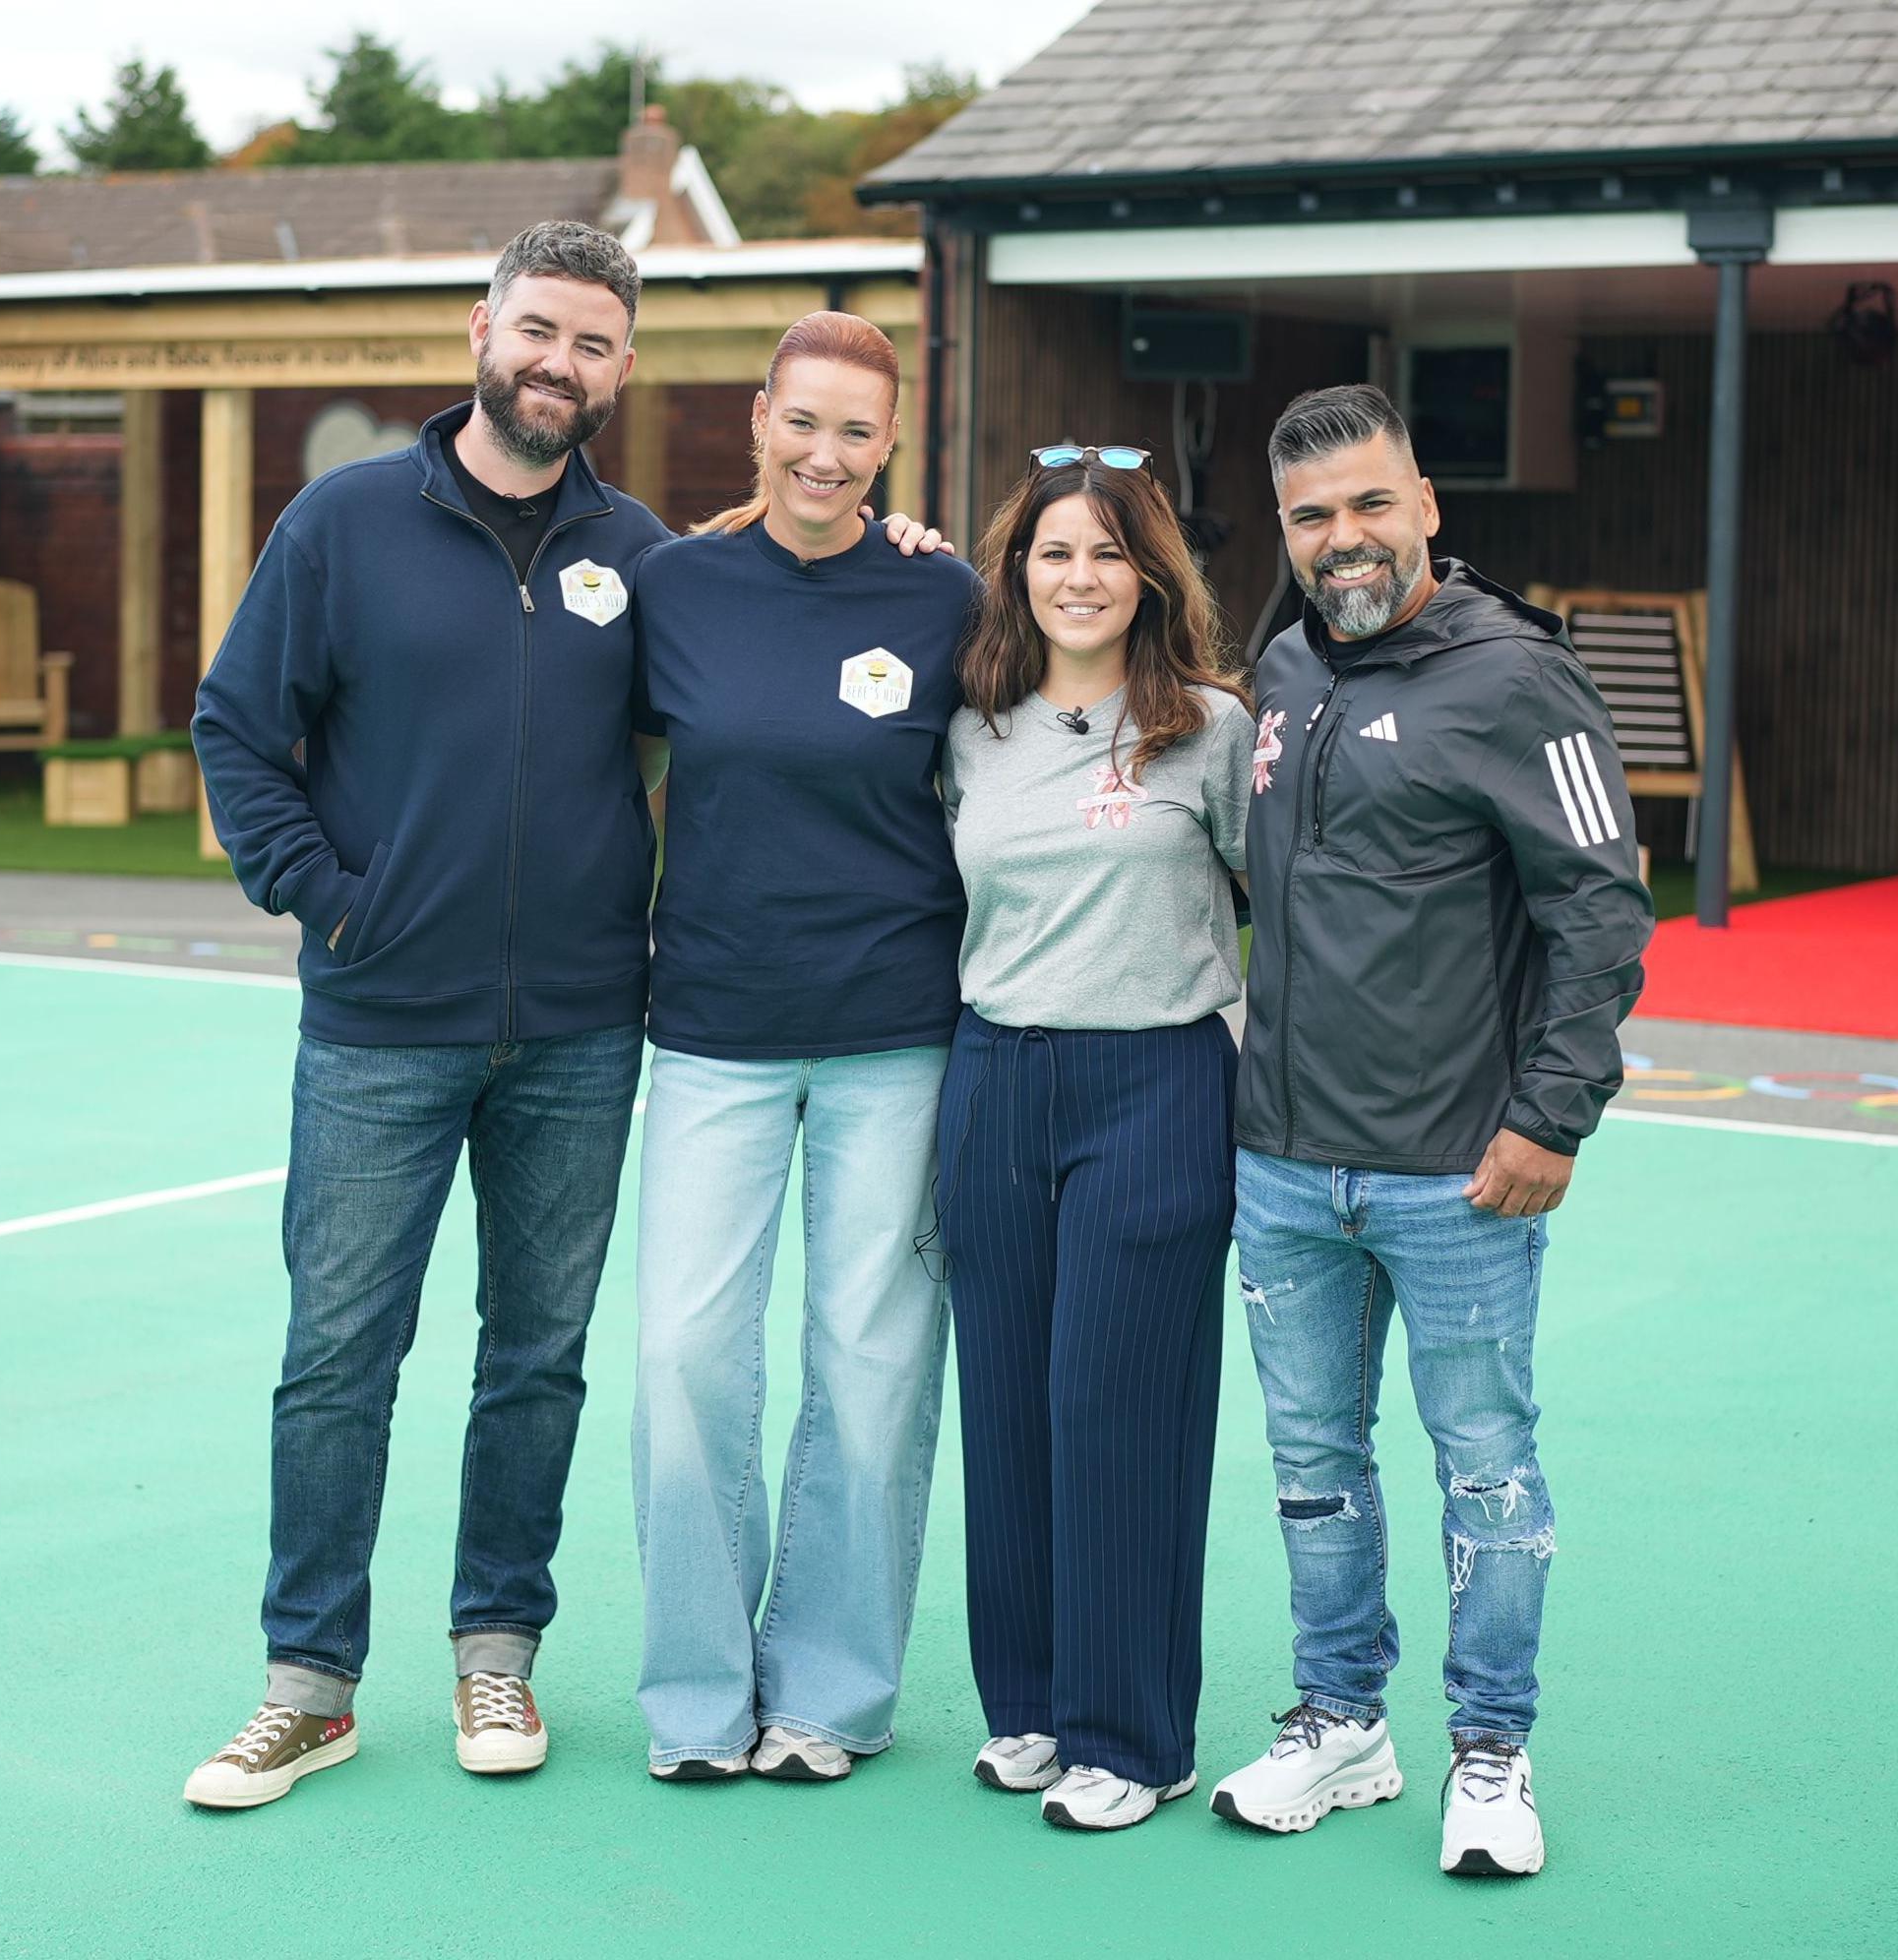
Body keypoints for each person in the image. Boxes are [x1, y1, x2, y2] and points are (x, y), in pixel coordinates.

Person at [179, 220, 673, 1807]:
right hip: (380, 1024)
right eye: (537, 329)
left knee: (536, 1357)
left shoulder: (642, 554)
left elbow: (758, 681)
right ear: (482, 330)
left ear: (621, 366)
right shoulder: (342, 524)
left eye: (590, 342)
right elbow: (235, 728)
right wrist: (331, 899)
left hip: (580, 1030)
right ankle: (308, 1687)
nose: (557, 363)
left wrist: (901, 550)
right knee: (337, 1356)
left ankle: (495, 1654)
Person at [1204, 384, 1653, 1878]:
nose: (1343, 538)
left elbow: (1602, 911)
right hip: (1282, 1168)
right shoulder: (1281, 665)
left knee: (1484, 1468)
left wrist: (1551, 1117)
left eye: (1369, 504)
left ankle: (1491, 1751)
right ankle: (1341, 1722)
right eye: (1311, 516)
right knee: (1313, 1463)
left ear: (1426, 507)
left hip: (1457, 1176)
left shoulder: (1520, 678)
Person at [627, 311, 981, 1785]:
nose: (824, 454)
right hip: (714, 1033)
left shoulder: (945, 594)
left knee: (872, 1368)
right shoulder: (673, 584)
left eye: (856, 431)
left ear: (890, 447)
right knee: (682, 1359)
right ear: (757, 424)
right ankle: (699, 1698)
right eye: (802, 421)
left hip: (896, 1036)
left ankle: (830, 1696)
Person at [935, 447, 1253, 1832]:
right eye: (1054, 552)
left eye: (1108, 553)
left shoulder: (1211, 729)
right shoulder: (970, 730)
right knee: (1005, 1403)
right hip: (996, 1078)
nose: (1079, 577)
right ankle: (1033, 1705)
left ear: (1151, 576)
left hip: (1157, 1082)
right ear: (1017, 573)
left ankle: (1132, 1734)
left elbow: (1279, 902)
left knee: (1115, 1408)